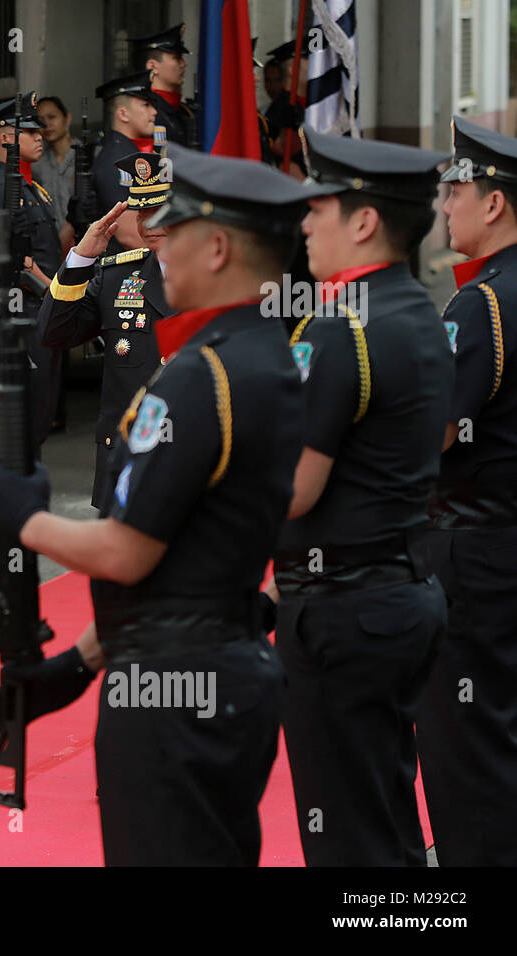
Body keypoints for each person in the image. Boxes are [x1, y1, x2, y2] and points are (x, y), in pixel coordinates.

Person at [0, 145, 311, 865]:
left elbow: (131, 552)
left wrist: (24, 519)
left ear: (218, 247)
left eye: (176, 229)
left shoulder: (207, 373)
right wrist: (78, 664)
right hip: (207, 659)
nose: (159, 244)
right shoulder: (263, 353)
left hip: (176, 690)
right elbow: (192, 568)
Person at [266, 129, 453, 866]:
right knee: (384, 814)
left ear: (365, 221)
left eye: (319, 209)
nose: (304, 224)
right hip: (401, 590)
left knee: (347, 830)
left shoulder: (339, 326)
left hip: (342, 607)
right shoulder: (423, 311)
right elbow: (438, 437)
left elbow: (295, 490)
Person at [417, 117, 517, 865]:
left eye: (457, 192)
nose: (445, 208)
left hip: (477, 549)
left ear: (495, 204)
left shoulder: (481, 305)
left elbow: (437, 434)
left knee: (466, 740)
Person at [40, 152, 172, 505]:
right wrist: (81, 258)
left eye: (161, 210)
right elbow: (54, 334)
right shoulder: (118, 276)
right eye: (142, 212)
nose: (149, 223)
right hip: (125, 455)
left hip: (193, 449)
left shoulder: (218, 279)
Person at [0, 93, 66, 449]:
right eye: (28, 131)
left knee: (43, 412)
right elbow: (7, 256)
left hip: (44, 305)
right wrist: (56, 291)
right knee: (28, 418)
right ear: (5, 138)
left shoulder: (32, 185)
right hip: (26, 306)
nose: (39, 136)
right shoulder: (2, 187)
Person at [93, 72, 158, 255]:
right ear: (123, 113)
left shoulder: (131, 154)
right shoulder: (117, 159)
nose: (153, 112)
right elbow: (128, 235)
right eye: (145, 105)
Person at [131, 23, 194, 147]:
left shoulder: (180, 110)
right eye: (177, 58)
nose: (184, 64)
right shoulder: (145, 113)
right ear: (153, 67)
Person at [32, 95, 83, 232]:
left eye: (52, 117)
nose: (47, 124)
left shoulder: (86, 156)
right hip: (54, 246)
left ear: (67, 118)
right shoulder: (36, 164)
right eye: (41, 120)